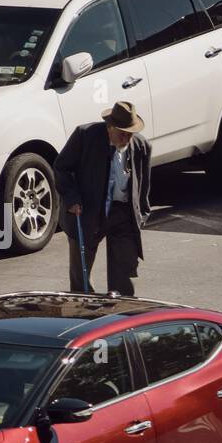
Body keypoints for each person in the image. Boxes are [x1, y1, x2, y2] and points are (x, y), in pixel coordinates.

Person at [53, 102, 152, 297]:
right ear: (110, 127)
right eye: (122, 132)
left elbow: (144, 184)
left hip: (122, 212)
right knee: (81, 273)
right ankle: (83, 313)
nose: (127, 137)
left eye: (130, 133)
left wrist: (142, 213)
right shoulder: (85, 136)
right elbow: (61, 168)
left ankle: (121, 313)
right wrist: (72, 198)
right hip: (88, 210)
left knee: (124, 270)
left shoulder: (140, 145)